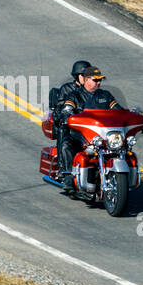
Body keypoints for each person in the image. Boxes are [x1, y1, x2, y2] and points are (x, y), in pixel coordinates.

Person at [53, 60, 119, 194]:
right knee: (66, 142)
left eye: (100, 80)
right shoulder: (74, 94)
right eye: (95, 80)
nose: (99, 83)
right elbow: (66, 107)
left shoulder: (105, 95)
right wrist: (66, 113)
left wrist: (129, 114)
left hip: (101, 132)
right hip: (81, 131)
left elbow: (117, 110)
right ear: (84, 78)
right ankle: (68, 175)